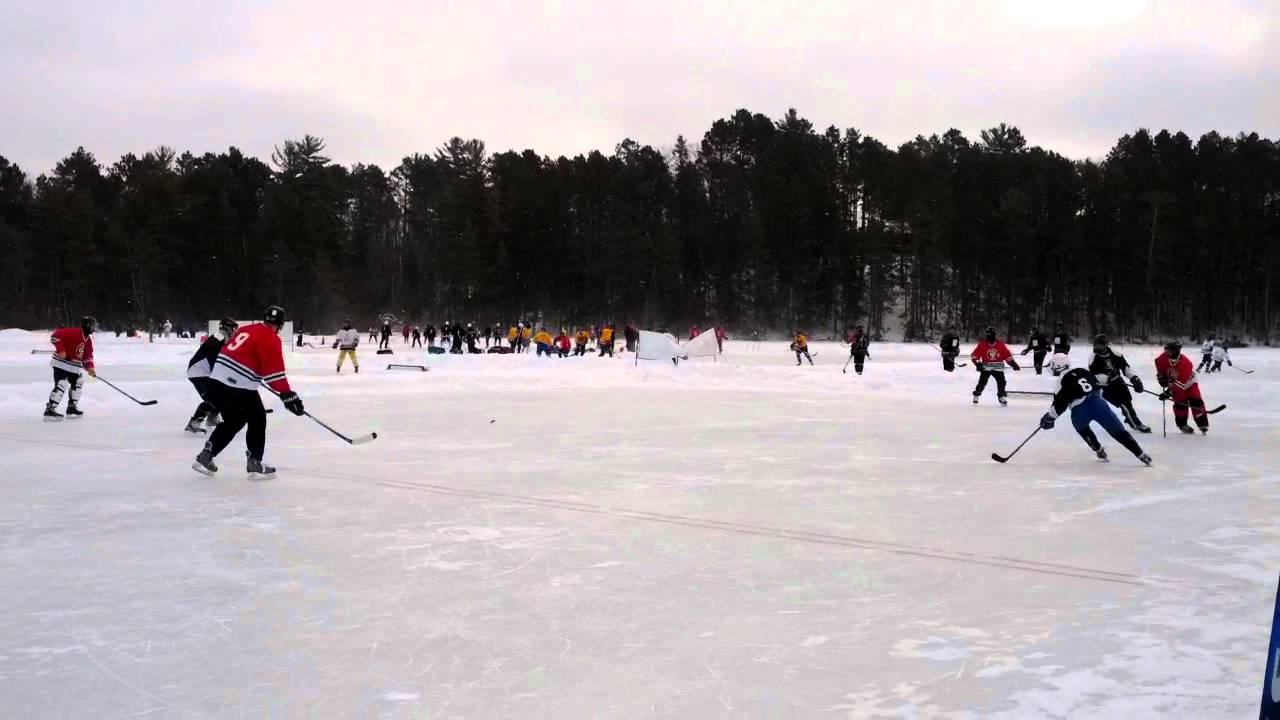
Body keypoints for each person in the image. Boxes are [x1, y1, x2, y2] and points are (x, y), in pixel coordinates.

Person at [192, 305, 304, 478]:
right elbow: (274, 374)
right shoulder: (271, 338)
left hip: (216, 381)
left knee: (234, 420)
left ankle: (206, 455)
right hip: (239, 386)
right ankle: (254, 462)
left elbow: (238, 354)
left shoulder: (246, 329)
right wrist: (288, 394)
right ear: (281, 324)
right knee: (258, 418)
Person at [1039, 365, 1152, 465]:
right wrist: (1112, 378)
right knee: (1118, 431)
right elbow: (1101, 380)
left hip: (1079, 410)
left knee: (1083, 430)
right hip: (1098, 403)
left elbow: (1060, 404)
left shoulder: (1060, 382)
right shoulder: (1083, 370)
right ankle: (1140, 454)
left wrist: (1050, 417)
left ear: (1056, 367)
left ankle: (1098, 449)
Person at [1086, 334, 1150, 433]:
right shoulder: (1094, 358)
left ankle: (1131, 419)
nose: (1095, 347)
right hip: (1106, 387)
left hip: (1118, 382)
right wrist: (1106, 377)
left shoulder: (1115, 354)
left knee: (1127, 402)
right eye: (1094, 344)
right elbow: (1094, 376)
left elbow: (1125, 368)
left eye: (1098, 345)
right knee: (1123, 404)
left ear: (1105, 344)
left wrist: (1134, 379)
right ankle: (1136, 424)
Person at [185, 318, 239, 433]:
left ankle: (212, 418)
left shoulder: (222, 338)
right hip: (199, 372)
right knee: (213, 399)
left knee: (221, 396)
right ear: (227, 328)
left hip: (204, 372)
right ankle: (194, 423)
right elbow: (214, 360)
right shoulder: (218, 338)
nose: (234, 331)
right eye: (233, 328)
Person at [44, 316, 97, 421]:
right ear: (86, 325)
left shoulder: (88, 340)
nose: (94, 328)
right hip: (60, 364)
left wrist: (90, 367)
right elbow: (55, 336)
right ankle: (50, 409)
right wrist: (61, 350)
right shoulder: (73, 332)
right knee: (61, 384)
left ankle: (72, 408)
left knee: (78, 382)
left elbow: (87, 356)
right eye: (92, 325)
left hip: (74, 367)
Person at [1156, 341, 1211, 434]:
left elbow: (1181, 384)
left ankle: (1202, 424)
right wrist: (1161, 378)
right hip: (1173, 383)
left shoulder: (1186, 363)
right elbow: (1159, 366)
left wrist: (1169, 392)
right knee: (1179, 404)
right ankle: (1182, 424)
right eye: (1166, 350)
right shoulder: (1162, 358)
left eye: (1169, 351)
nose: (1167, 352)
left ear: (1176, 351)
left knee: (1196, 402)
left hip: (1190, 383)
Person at [970, 326, 1020, 405]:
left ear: (994, 334)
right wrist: (977, 363)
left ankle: (1001, 396)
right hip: (986, 368)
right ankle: (976, 395)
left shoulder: (1000, 344)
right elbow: (974, 355)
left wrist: (1013, 364)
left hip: (998, 368)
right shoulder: (982, 344)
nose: (988, 336)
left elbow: (1007, 356)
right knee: (982, 383)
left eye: (990, 334)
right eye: (987, 334)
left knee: (1002, 382)